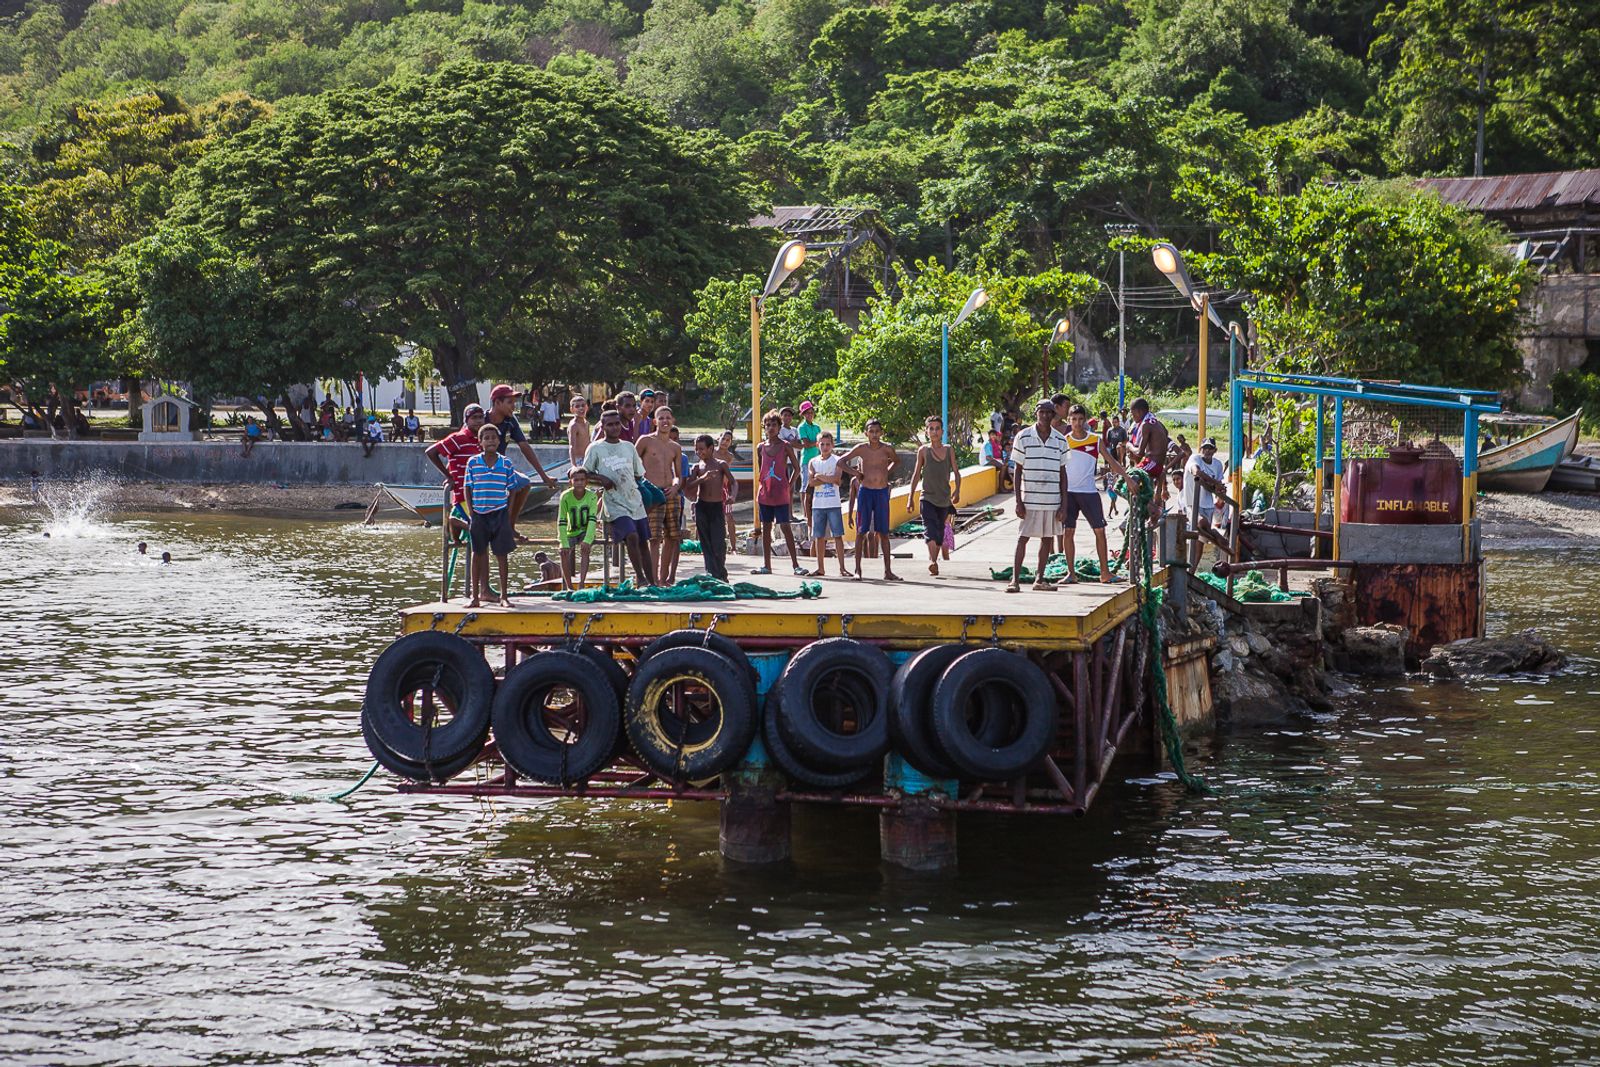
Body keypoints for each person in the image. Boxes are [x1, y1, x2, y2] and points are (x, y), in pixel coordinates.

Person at [583, 408, 654, 581]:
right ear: (603, 427)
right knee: (631, 535)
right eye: (610, 425)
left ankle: (652, 581)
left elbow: (639, 473)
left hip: (634, 499)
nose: (614, 428)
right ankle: (640, 577)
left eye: (617, 424)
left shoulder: (628, 447)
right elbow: (584, 473)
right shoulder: (595, 448)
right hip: (614, 502)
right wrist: (601, 478)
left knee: (644, 542)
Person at [1006, 399, 1069, 594]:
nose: (1045, 416)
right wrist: (1018, 501)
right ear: (1036, 413)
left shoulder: (1060, 440)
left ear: (1054, 415)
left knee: (1047, 539)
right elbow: (1017, 470)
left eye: (1049, 412)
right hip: (1030, 499)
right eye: (1042, 412)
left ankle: (1039, 579)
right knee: (1023, 538)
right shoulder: (1023, 437)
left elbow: (1063, 474)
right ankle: (1014, 580)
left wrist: (1064, 505)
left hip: (1052, 499)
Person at [463, 422, 527, 608]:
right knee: (477, 554)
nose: (491, 441)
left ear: (499, 441)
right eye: (487, 438)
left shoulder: (505, 462)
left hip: (499, 514)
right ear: (480, 441)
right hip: (479, 514)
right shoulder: (473, 462)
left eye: (494, 438)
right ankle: (475, 597)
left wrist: (508, 511)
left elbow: (513, 488)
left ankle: (504, 596)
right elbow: (468, 487)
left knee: (502, 555)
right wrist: (471, 511)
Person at [486, 383, 559, 541]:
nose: (514, 406)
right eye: (510, 402)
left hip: (500, 468)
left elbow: (525, 447)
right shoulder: (480, 418)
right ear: (497, 402)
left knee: (525, 483)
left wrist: (544, 476)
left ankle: (509, 527)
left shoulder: (510, 421)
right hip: (480, 471)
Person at [1062, 404, 1125, 585]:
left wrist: (1127, 478)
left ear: (1085, 420)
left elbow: (1112, 461)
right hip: (1069, 493)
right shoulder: (1064, 441)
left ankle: (1105, 573)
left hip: (1089, 492)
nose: (1077, 423)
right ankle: (1071, 573)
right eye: (1074, 419)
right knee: (1068, 531)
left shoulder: (1094, 440)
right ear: (1069, 421)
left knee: (1099, 531)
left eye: (1081, 419)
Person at [840, 418, 901, 581]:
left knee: (883, 533)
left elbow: (896, 461)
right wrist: (856, 474)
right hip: (866, 492)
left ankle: (888, 571)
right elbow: (841, 461)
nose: (874, 434)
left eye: (877, 431)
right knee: (861, 532)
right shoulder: (861, 449)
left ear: (881, 433)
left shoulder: (886, 449)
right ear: (866, 433)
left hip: (881, 492)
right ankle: (857, 569)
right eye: (871, 431)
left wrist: (886, 471)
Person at [907, 415, 961, 576]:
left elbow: (956, 473)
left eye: (937, 428)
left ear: (942, 431)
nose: (934, 431)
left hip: (944, 499)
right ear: (926, 431)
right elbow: (916, 475)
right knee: (930, 529)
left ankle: (934, 561)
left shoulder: (949, 449)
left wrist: (957, 490)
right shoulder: (923, 451)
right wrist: (910, 497)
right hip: (927, 498)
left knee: (939, 533)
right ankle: (933, 562)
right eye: (931, 428)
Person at [637, 406, 684, 585]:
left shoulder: (675, 447)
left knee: (673, 537)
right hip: (652, 494)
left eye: (668, 418)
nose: (665, 421)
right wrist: (642, 488)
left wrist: (675, 485)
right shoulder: (645, 441)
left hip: (670, 494)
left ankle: (664, 579)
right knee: (654, 538)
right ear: (655, 421)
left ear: (673, 421)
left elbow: (678, 474)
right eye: (661, 418)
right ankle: (653, 579)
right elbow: (633, 464)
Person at [752, 410, 803, 576]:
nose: (771, 428)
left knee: (785, 527)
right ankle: (767, 565)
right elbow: (762, 469)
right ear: (764, 428)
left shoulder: (785, 446)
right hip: (765, 493)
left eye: (774, 425)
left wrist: (789, 485)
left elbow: (797, 468)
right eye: (768, 425)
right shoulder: (761, 447)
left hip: (781, 493)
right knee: (766, 528)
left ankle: (796, 565)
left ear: (779, 427)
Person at [425, 403, 487, 539]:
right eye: (474, 417)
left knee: (484, 533)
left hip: (479, 495)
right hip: (463, 494)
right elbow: (431, 452)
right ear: (467, 420)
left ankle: (456, 524)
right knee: (481, 529)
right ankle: (454, 521)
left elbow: (456, 461)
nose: (478, 421)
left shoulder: (481, 440)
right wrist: (449, 476)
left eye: (481, 417)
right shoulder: (458, 438)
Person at [684, 433, 735, 581]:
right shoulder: (697, 467)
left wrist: (732, 496)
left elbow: (733, 482)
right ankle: (712, 573)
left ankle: (721, 573)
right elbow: (688, 486)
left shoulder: (721, 465)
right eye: (696, 450)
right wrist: (702, 479)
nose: (699, 452)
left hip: (717, 507)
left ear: (711, 448)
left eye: (702, 449)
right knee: (705, 543)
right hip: (702, 506)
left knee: (718, 542)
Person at [803, 431, 848, 578]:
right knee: (819, 537)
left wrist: (820, 477)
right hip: (818, 504)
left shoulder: (838, 460)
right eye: (822, 444)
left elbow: (837, 479)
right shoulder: (813, 462)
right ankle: (820, 568)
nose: (825, 447)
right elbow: (811, 482)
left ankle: (842, 568)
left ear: (832, 445)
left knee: (838, 536)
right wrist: (826, 478)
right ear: (817, 445)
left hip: (833, 503)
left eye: (828, 444)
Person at [1184, 438, 1229, 565]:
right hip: (1192, 502)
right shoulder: (1195, 458)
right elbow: (1196, 472)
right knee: (1200, 522)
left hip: (1208, 505)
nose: (1207, 451)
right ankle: (1215, 534)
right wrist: (1214, 483)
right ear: (1200, 449)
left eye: (1210, 448)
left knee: (1200, 544)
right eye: (1205, 448)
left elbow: (1219, 485)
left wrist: (1219, 489)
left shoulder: (1218, 465)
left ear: (1215, 450)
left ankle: (1191, 572)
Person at [557, 467, 599, 590]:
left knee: (585, 551)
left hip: (586, 530)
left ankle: (581, 583)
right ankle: (569, 586)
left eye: (582, 480)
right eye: (576, 480)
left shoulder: (592, 496)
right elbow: (562, 519)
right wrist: (563, 542)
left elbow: (592, 519)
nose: (579, 483)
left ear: (586, 482)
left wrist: (588, 539)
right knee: (563, 552)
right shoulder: (565, 496)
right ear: (571, 481)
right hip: (571, 531)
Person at [1126, 397, 1170, 513]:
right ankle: (1145, 505)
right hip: (1157, 465)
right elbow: (1166, 433)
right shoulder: (1157, 422)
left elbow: (1140, 452)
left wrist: (1129, 445)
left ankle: (1151, 508)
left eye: (1133, 414)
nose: (1132, 417)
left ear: (1139, 412)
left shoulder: (1146, 425)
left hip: (1152, 464)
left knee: (1125, 480)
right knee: (1133, 480)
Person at [714, 430, 742, 549]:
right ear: (718, 439)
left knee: (729, 517)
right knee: (706, 516)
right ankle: (701, 545)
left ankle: (734, 547)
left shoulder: (729, 457)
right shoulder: (711, 452)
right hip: (710, 487)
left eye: (728, 440)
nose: (725, 442)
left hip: (723, 489)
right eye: (723, 439)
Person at [796, 401, 822, 489]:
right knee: (806, 485)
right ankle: (804, 503)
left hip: (817, 459)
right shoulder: (802, 427)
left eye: (811, 412)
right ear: (803, 414)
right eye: (807, 413)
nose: (810, 415)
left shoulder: (817, 427)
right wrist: (818, 443)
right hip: (806, 460)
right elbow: (806, 444)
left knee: (816, 485)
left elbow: (821, 443)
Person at [566, 395, 591, 466]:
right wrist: (574, 465)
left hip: (587, 458)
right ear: (572, 409)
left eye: (583, 405)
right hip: (578, 460)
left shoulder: (587, 423)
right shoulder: (574, 425)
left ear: (587, 407)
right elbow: (571, 447)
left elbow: (588, 441)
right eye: (577, 406)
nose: (581, 408)